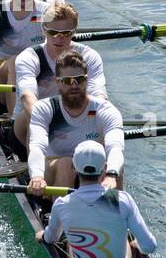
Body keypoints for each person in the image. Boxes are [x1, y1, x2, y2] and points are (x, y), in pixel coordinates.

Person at [37, 140, 156, 258]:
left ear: (73, 168)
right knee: (126, 239)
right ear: (105, 168)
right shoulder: (123, 199)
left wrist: (43, 235)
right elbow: (150, 246)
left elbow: (51, 238)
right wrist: (136, 245)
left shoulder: (62, 204)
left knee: (70, 241)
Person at [25, 50, 124, 194]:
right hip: (54, 168)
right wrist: (37, 176)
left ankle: (116, 210)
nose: (74, 85)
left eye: (79, 79)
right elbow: (37, 147)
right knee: (66, 164)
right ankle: (60, 212)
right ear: (58, 82)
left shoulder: (105, 110)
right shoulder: (45, 109)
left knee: (112, 168)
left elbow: (115, 146)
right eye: (67, 81)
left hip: (91, 169)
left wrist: (112, 174)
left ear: (86, 80)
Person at [11, 1, 106, 149]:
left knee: (99, 112)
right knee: (38, 112)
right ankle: (38, 168)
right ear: (43, 29)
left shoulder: (89, 56)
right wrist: (52, 123)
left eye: (66, 33)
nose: (59, 38)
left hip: (73, 118)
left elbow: (99, 94)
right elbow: (27, 96)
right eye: (53, 32)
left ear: (74, 31)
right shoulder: (29, 57)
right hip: (28, 123)